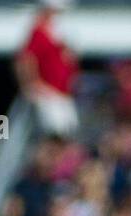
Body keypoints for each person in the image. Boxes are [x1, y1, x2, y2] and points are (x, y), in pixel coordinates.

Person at [15, 0, 79, 138]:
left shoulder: (57, 32)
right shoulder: (38, 32)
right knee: (54, 133)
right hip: (48, 92)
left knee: (69, 129)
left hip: (62, 92)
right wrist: (31, 85)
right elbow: (26, 60)